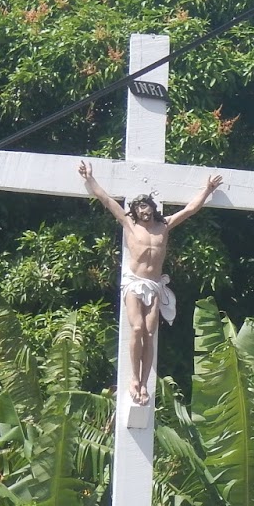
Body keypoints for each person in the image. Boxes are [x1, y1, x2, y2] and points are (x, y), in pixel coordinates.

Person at [79, 161, 221, 405]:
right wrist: (89, 179)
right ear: (135, 210)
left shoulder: (163, 226)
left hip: (154, 286)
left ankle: (144, 382)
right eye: (139, 207)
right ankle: (134, 378)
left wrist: (207, 190)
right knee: (137, 329)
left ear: (152, 208)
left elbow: (189, 210)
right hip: (134, 283)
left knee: (150, 332)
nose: (143, 211)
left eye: (146, 206)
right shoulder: (129, 224)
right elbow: (106, 200)